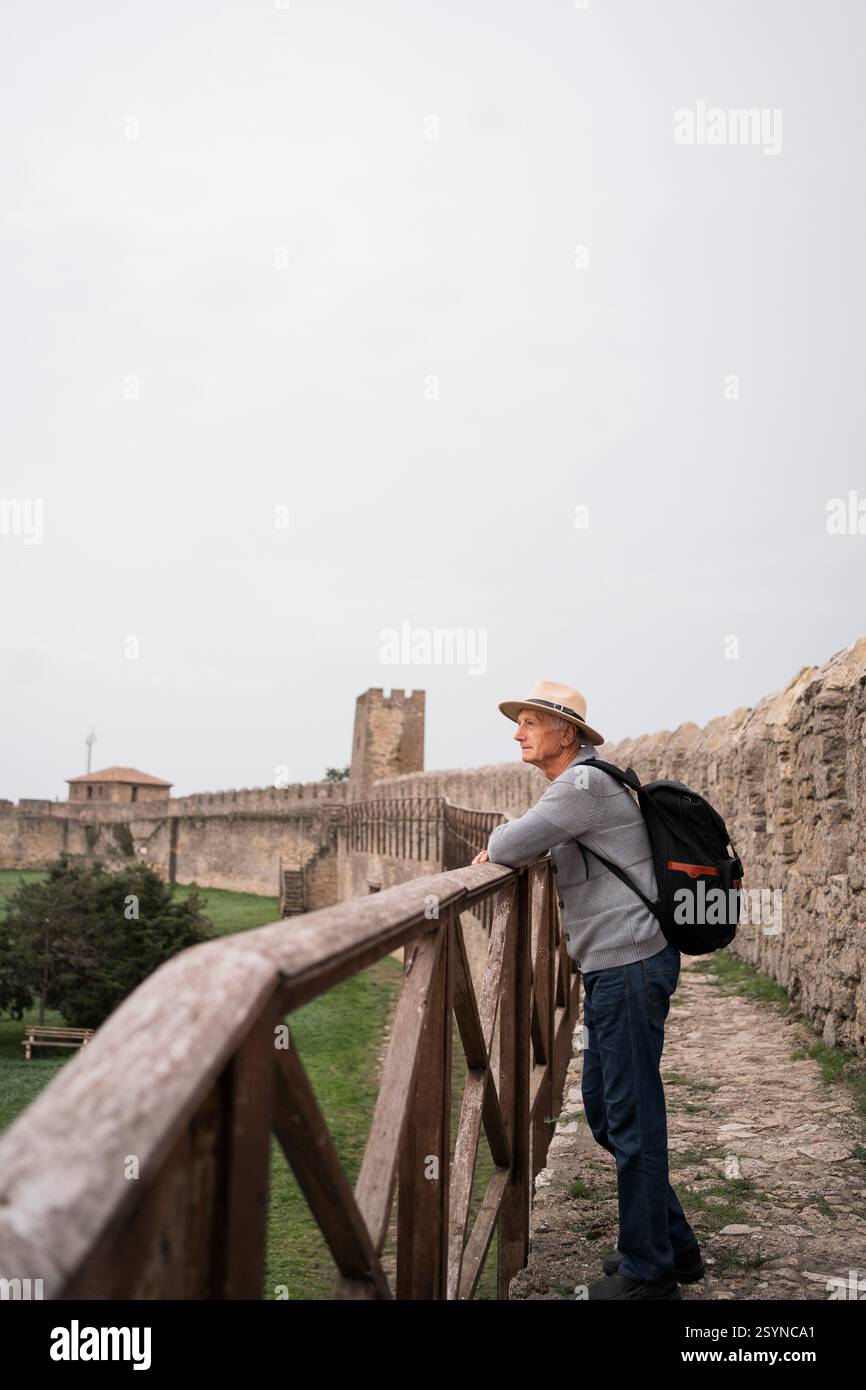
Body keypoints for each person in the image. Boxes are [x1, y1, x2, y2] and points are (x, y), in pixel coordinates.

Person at [472, 679, 703, 1301]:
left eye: (529, 723)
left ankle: (649, 1274)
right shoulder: (580, 785)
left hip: (628, 967)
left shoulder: (582, 784)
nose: (517, 733)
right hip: (617, 968)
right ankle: (673, 1248)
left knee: (631, 1116)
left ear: (565, 733)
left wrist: (493, 842)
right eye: (518, 723)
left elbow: (511, 844)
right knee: (606, 1111)